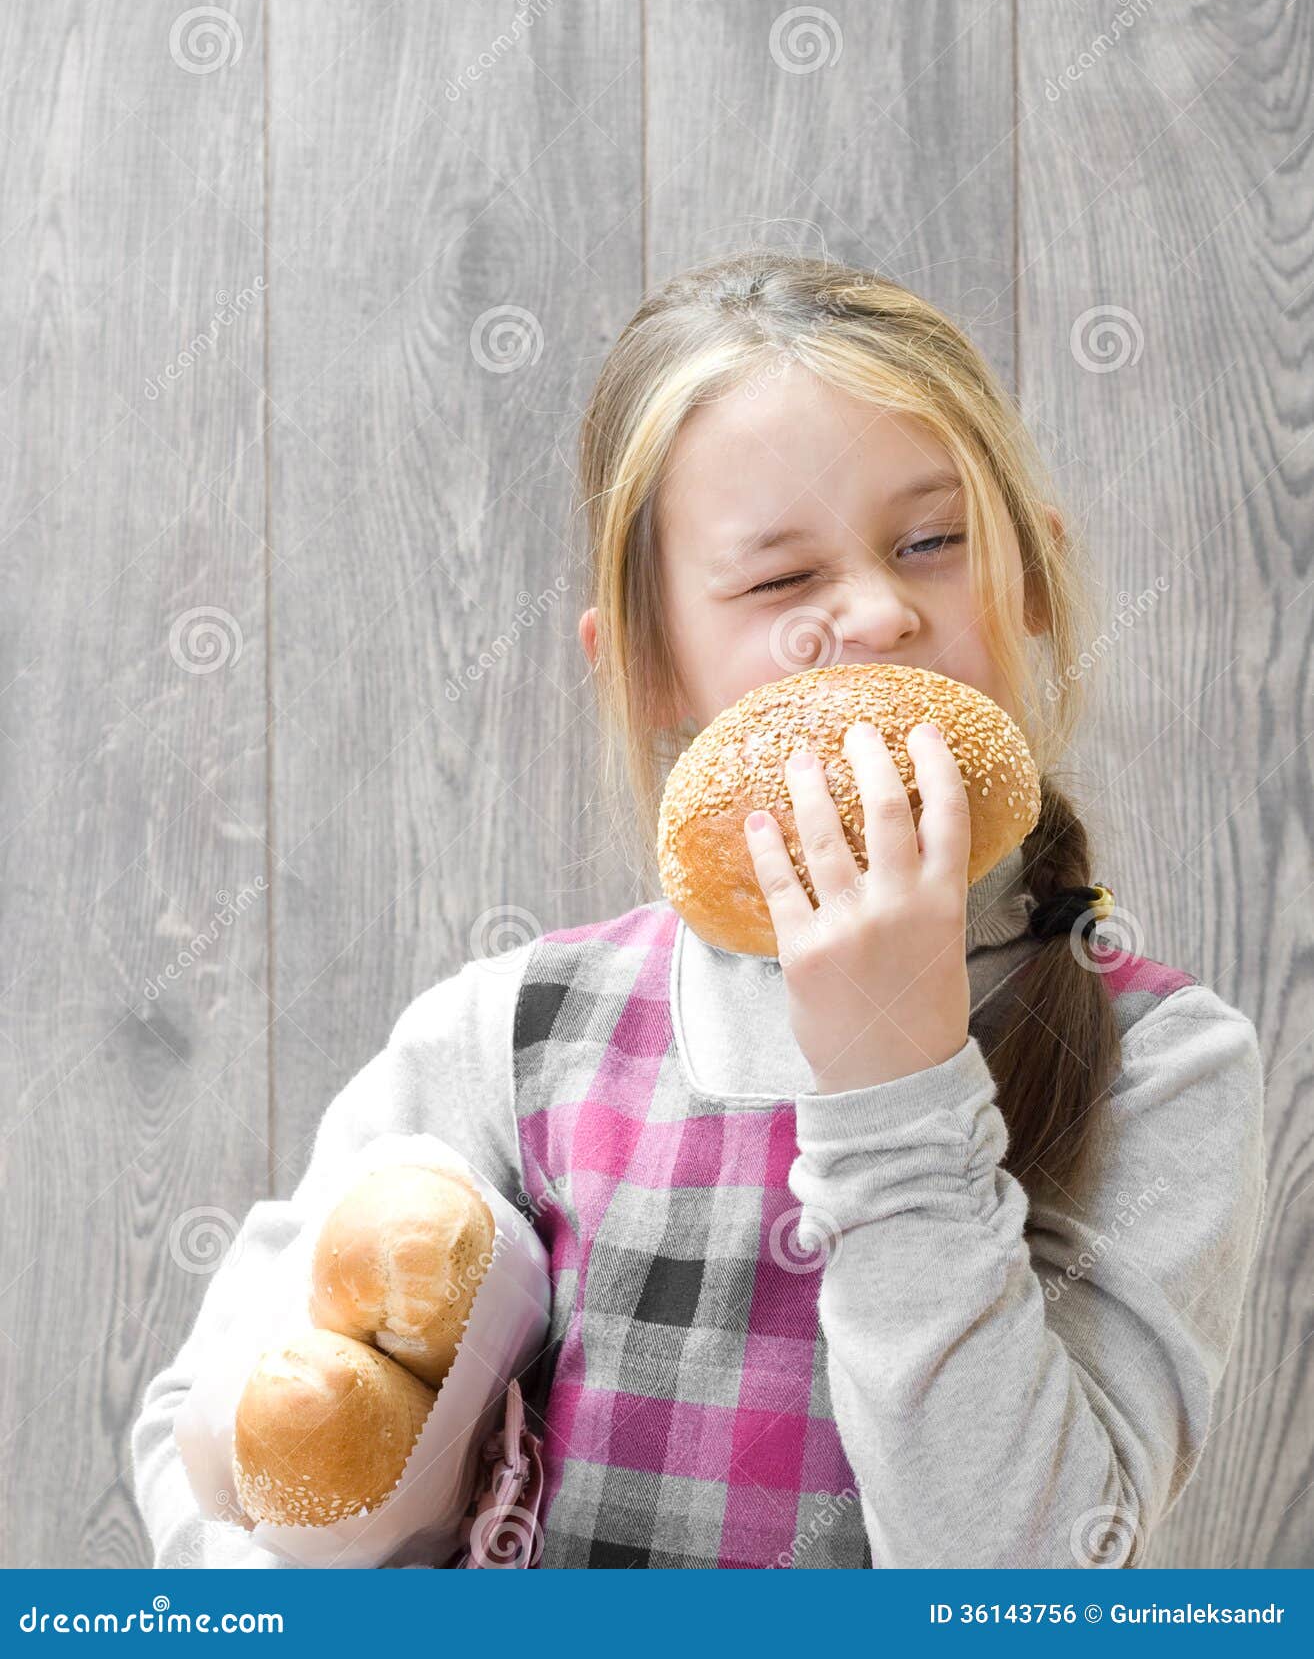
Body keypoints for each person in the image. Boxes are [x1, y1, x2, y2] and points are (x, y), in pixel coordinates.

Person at [132, 250, 1266, 1569]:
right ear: (650, 665)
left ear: (1034, 578)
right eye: (779, 581)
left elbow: (1031, 1589)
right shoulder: (511, 1038)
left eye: (932, 542)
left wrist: (896, 1087)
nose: (875, 612)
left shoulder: (1161, 1066)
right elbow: (211, 1445)